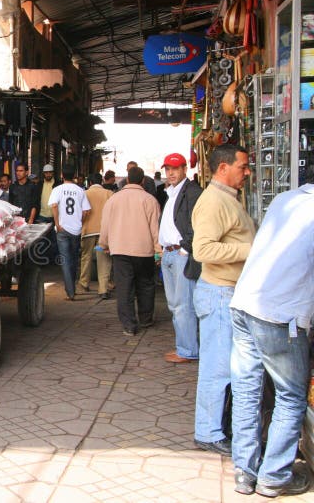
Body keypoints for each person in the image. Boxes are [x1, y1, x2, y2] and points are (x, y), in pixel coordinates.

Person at [228, 171, 314, 497]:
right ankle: (274, 477)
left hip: (244, 304)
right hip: (280, 315)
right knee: (290, 397)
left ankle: (244, 473)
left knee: (248, 390)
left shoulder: (285, 199)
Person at [191, 143, 255, 456]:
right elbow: (203, 250)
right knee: (217, 368)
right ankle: (208, 432)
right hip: (218, 293)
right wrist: (252, 251)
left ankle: (217, 427)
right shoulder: (214, 201)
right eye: (242, 166)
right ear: (223, 168)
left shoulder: (229, 198)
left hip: (227, 292)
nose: (247, 172)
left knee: (225, 367)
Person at [99, 166, 160, 336]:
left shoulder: (113, 199)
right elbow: (155, 229)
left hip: (120, 251)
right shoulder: (150, 200)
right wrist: (159, 251)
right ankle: (146, 319)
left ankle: (129, 325)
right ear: (142, 181)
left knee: (124, 288)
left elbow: (105, 225)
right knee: (146, 285)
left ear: (126, 180)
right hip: (144, 251)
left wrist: (104, 244)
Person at [159, 153, 202, 364]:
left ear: (185, 169)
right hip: (169, 253)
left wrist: (185, 249)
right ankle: (183, 346)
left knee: (183, 304)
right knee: (175, 304)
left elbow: (199, 224)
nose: (171, 173)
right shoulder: (171, 193)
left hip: (180, 254)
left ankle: (187, 349)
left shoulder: (192, 192)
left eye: (175, 169)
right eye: (168, 169)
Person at [48, 166, 90, 301]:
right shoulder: (80, 191)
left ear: (62, 175)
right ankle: (72, 288)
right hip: (76, 230)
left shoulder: (57, 189)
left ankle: (70, 292)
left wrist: (57, 223)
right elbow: (86, 211)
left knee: (65, 260)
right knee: (73, 259)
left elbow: (54, 206)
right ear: (75, 176)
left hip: (62, 230)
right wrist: (80, 222)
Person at [79, 173, 113, 299]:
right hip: (103, 233)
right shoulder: (109, 193)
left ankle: (84, 284)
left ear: (90, 183)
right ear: (102, 181)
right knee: (104, 259)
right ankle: (103, 289)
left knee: (86, 256)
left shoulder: (84, 193)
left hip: (87, 231)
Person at [35, 163, 59, 262]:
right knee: (42, 240)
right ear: (43, 174)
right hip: (42, 215)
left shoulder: (58, 184)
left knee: (54, 240)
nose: (48, 174)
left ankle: (54, 260)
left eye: (50, 173)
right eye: (46, 173)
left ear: (53, 173)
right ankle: (43, 260)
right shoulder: (39, 184)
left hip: (54, 216)